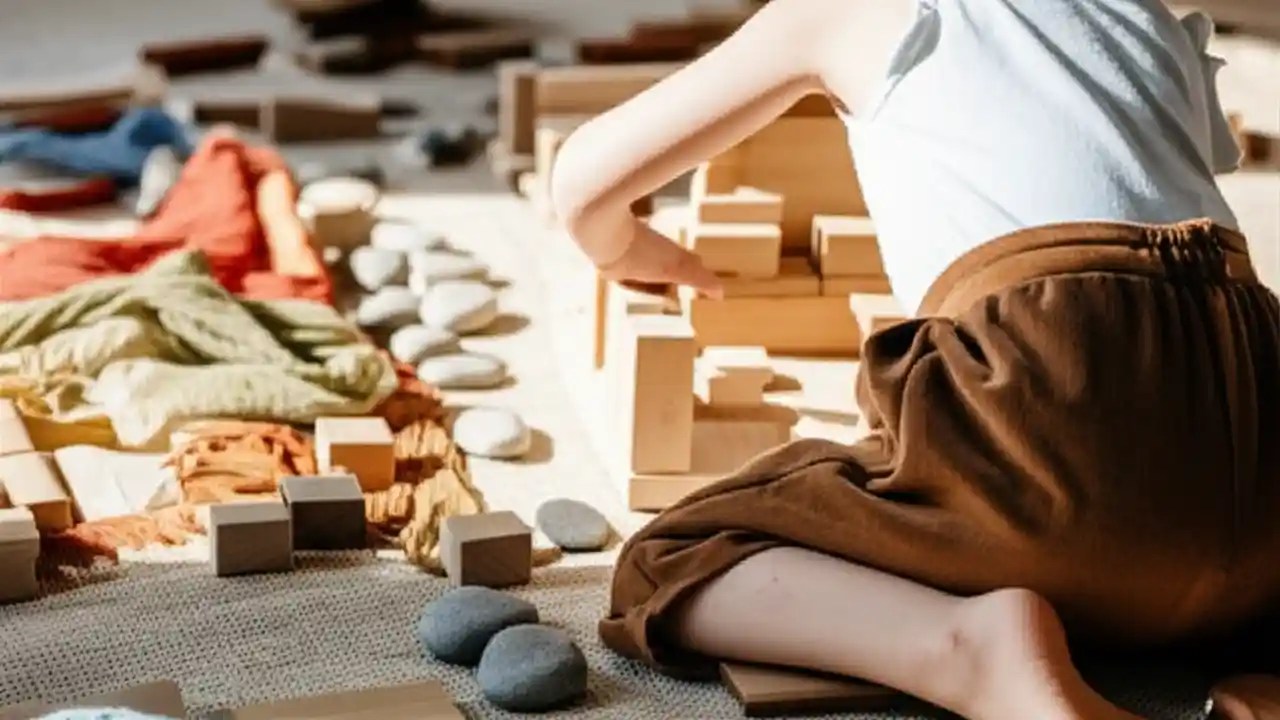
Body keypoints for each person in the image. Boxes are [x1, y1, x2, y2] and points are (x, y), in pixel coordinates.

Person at [548, 0, 1280, 718]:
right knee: (1193, 538)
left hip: (1063, 389)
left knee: (670, 561)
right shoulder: (1144, 17)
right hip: (1255, 398)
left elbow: (581, 184)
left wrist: (626, 249)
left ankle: (967, 651)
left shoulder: (839, 14)